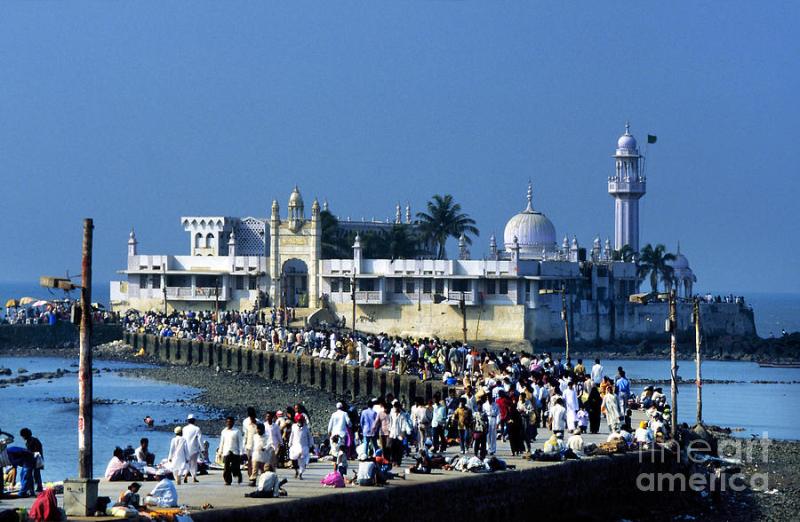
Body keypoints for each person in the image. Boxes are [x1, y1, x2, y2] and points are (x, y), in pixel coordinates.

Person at [219, 416, 243, 485]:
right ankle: (228, 480)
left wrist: (241, 452)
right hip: (226, 451)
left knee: (235, 468)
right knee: (226, 467)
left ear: (233, 423)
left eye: (230, 422)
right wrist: (220, 452)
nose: (229, 423)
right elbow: (222, 442)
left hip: (235, 452)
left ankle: (239, 475)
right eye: (228, 422)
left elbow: (240, 442)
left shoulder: (237, 431)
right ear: (226, 422)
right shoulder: (223, 431)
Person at [288, 413, 314, 479]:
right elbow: (292, 435)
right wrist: (289, 443)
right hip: (295, 446)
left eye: (301, 421)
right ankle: (296, 471)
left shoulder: (306, 428)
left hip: (304, 447)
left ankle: (300, 473)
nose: (300, 422)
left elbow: (310, 437)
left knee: (303, 462)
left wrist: (311, 445)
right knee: (293, 458)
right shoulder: (294, 426)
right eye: (299, 421)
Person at [19, 428, 43, 493]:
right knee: (36, 474)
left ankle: (33, 488)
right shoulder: (33, 440)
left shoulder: (31, 441)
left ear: (25, 435)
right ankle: (38, 488)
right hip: (37, 458)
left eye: (23, 436)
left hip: (35, 459)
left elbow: (32, 451)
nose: (22, 438)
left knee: (33, 474)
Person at [182, 414, 202, 483]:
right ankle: (194, 477)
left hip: (186, 448)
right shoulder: (197, 428)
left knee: (187, 463)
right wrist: (202, 449)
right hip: (194, 448)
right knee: (194, 464)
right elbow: (200, 439)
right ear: (194, 420)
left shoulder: (184, 428)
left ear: (188, 421)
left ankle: (185, 475)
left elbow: (183, 439)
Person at [242, 407, 259, 479]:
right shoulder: (246, 422)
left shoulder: (258, 423)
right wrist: (243, 446)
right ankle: (250, 476)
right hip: (249, 445)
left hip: (256, 445)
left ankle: (253, 475)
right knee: (249, 461)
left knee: (255, 461)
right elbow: (245, 435)